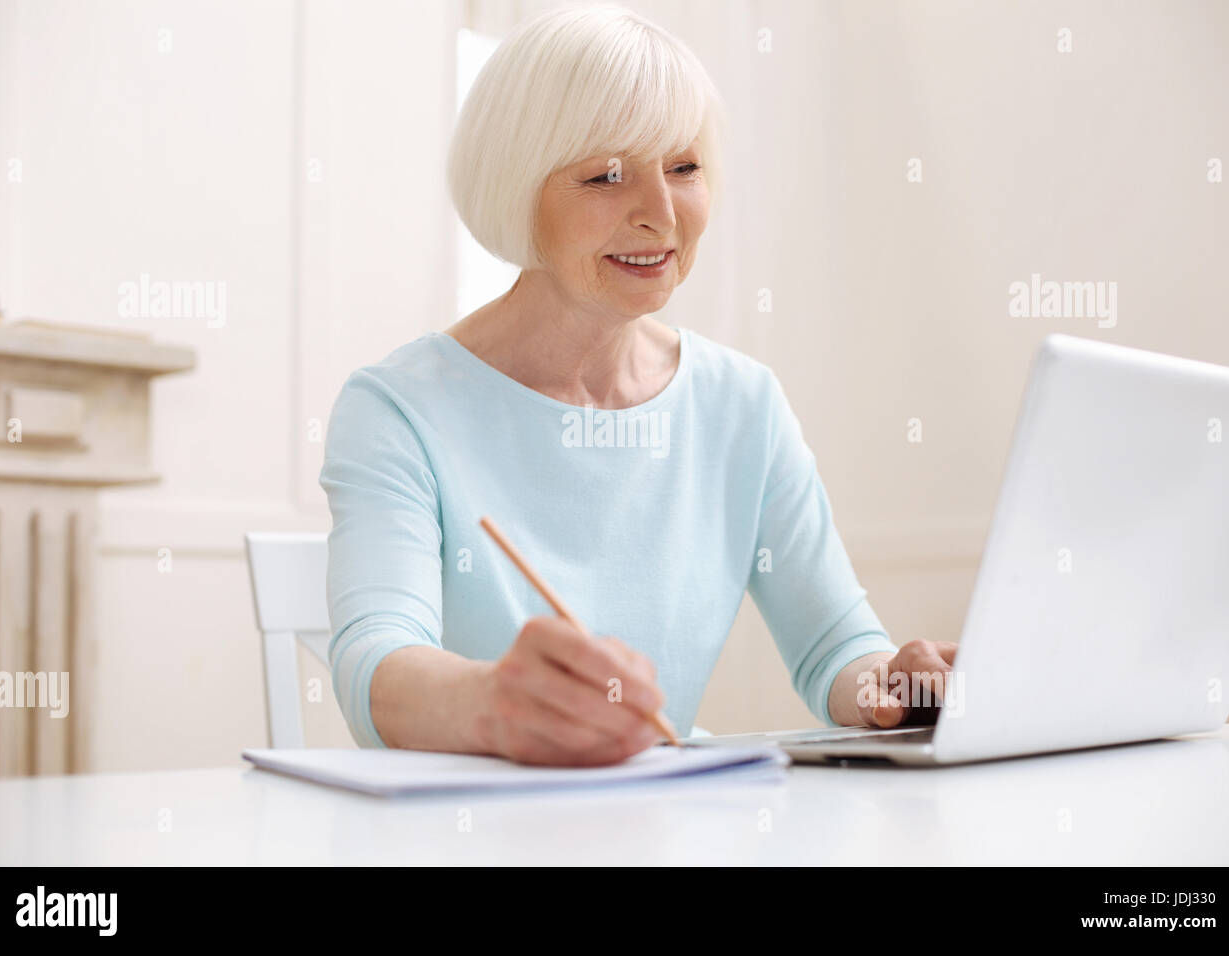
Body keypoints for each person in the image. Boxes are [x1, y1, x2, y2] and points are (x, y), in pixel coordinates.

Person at [320, 3, 955, 766]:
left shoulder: (741, 406)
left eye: (684, 168)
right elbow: (375, 661)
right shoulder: (398, 409)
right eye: (607, 176)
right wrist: (493, 705)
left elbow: (835, 648)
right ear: (516, 186)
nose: (662, 214)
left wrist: (894, 687)